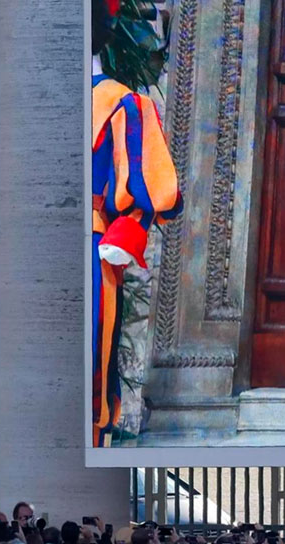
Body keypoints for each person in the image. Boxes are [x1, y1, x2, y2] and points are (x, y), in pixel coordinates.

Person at [90, 0, 183, 447]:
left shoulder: (121, 102)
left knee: (92, 356)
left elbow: (152, 193)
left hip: (93, 241)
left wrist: (125, 234)